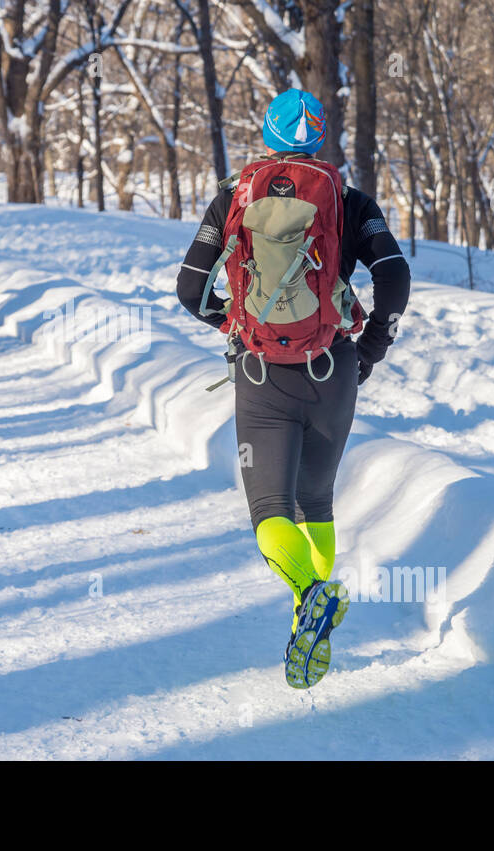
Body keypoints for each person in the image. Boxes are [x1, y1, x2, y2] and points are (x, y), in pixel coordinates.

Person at [176, 89, 411, 689]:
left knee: (268, 513)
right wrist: (373, 346)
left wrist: (234, 322)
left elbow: (190, 288)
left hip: (260, 374)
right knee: (317, 501)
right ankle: (311, 613)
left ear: (267, 132)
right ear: (321, 135)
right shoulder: (348, 201)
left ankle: (313, 595)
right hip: (333, 370)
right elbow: (394, 272)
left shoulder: (235, 194)